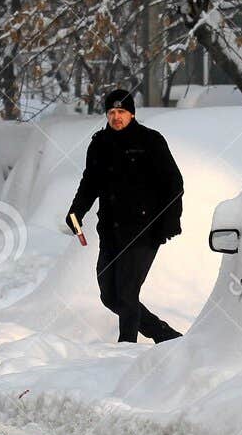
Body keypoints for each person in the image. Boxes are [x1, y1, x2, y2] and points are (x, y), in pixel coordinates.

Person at [64, 88, 184, 344]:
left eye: (121, 112)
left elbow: (174, 183)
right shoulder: (99, 144)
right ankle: (167, 337)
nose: (116, 117)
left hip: (144, 230)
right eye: (111, 112)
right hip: (110, 230)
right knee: (110, 295)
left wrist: (170, 222)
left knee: (128, 293)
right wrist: (76, 211)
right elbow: (90, 183)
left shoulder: (150, 141)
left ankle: (125, 349)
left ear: (131, 113)